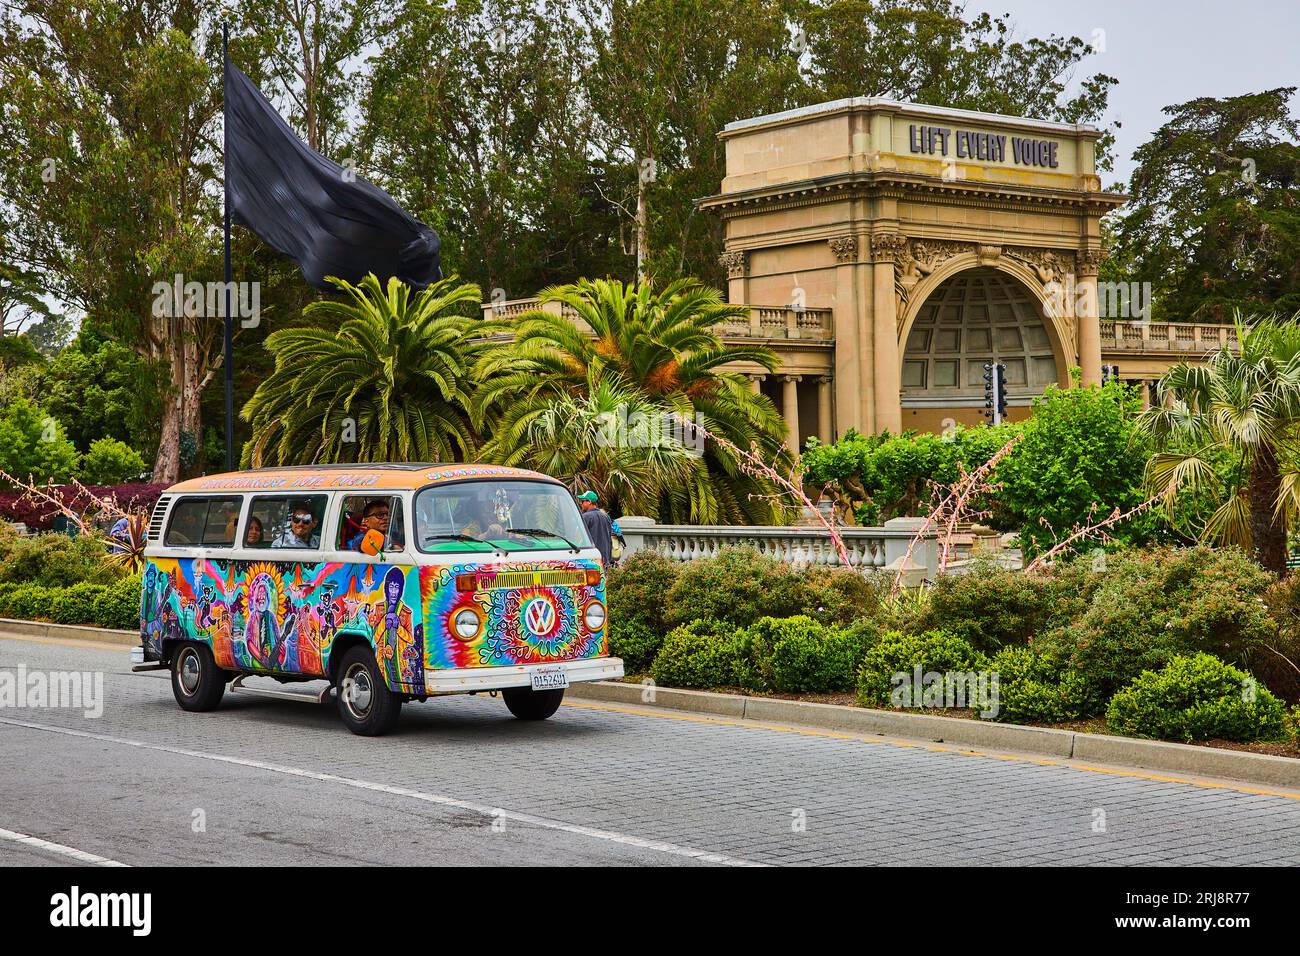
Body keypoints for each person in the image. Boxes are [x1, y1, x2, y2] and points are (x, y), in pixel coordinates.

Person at [577, 490, 613, 567]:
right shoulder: (606, 516)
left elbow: (578, 539)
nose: (581, 504)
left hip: (591, 561)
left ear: (589, 502)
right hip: (605, 560)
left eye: (582, 501)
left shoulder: (585, 517)